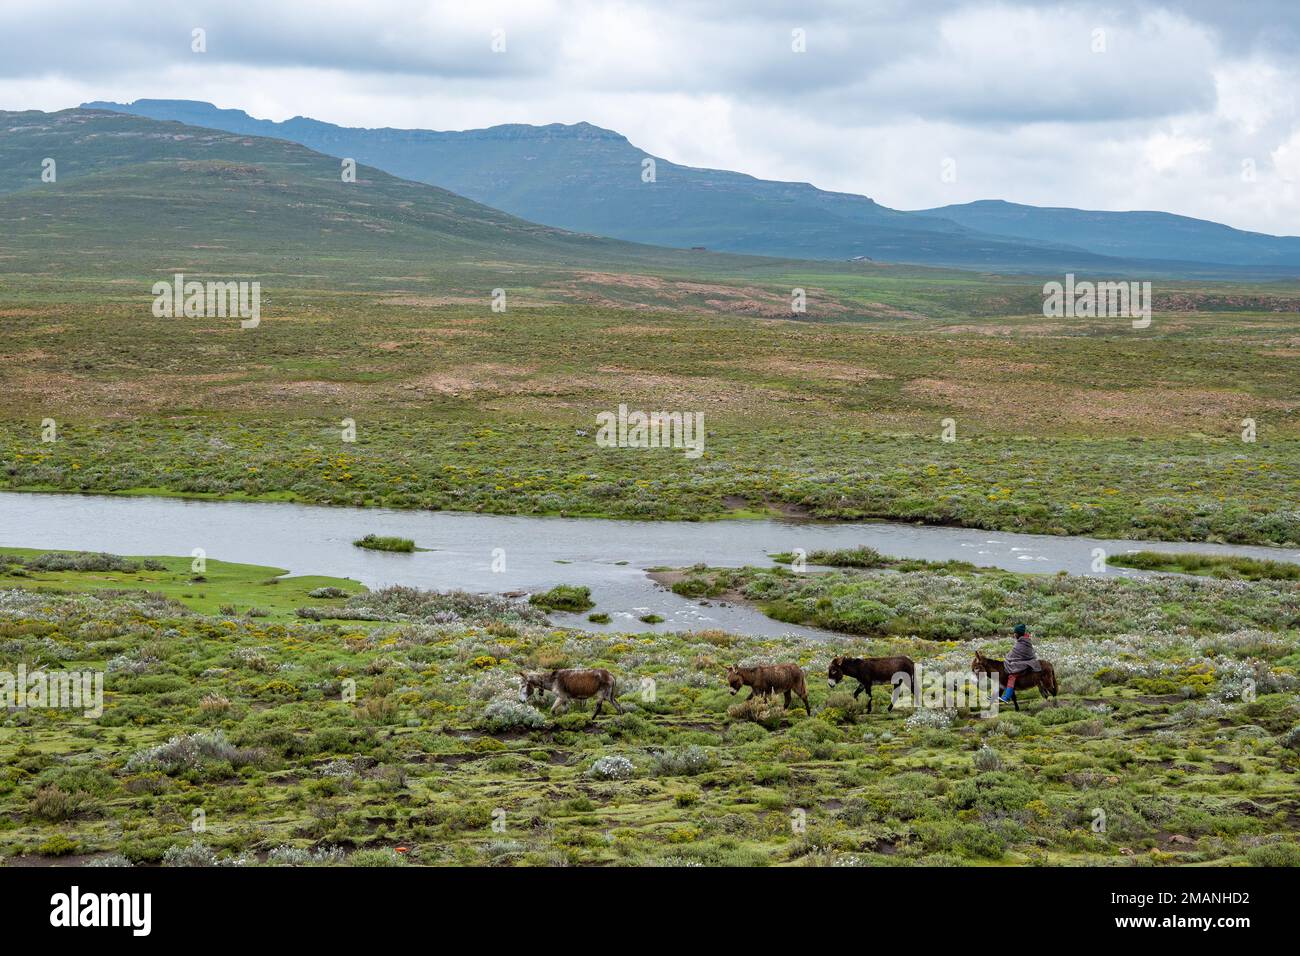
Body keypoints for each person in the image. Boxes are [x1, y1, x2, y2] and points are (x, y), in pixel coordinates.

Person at [1000, 623, 1040, 702]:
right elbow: (1015, 654)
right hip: (1024, 661)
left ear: (1018, 634)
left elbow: (1015, 654)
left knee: (1012, 675)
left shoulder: (1023, 643)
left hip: (1027, 663)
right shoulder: (1024, 640)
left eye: (1015, 633)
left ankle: (1006, 697)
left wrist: (1008, 659)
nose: (1014, 635)